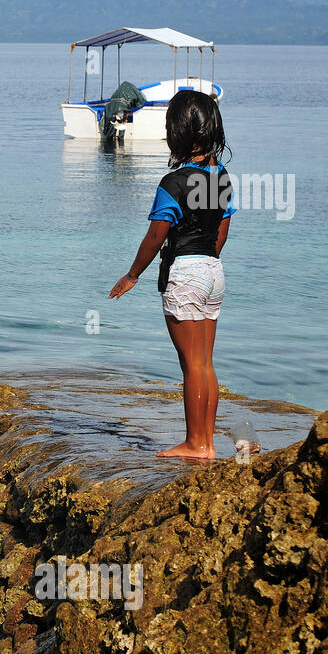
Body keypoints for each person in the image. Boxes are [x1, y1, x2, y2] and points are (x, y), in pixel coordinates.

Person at [108, 90, 237, 459]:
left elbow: (155, 237)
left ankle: (196, 444)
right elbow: (221, 234)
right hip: (214, 273)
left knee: (191, 364)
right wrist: (206, 262)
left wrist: (133, 275)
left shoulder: (174, 183)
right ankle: (207, 442)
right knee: (206, 362)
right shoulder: (221, 177)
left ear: (179, 134)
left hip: (186, 272)